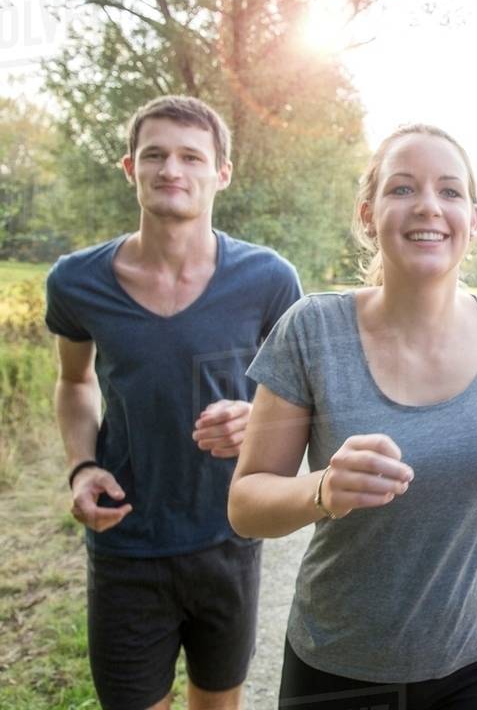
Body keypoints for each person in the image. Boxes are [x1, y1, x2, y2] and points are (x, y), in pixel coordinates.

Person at [227, 123, 477, 710]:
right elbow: (245, 507)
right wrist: (323, 488)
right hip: (341, 662)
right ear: (368, 214)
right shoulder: (312, 330)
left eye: (450, 191)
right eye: (403, 189)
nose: (428, 205)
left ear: (473, 219)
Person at [46, 95, 302, 710]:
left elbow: (301, 398)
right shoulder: (76, 282)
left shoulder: (269, 279)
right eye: (155, 155)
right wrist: (82, 467)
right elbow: (76, 382)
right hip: (125, 539)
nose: (172, 170)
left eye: (192, 156)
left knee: (218, 701)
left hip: (229, 536)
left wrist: (258, 421)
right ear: (130, 167)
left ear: (222, 173)